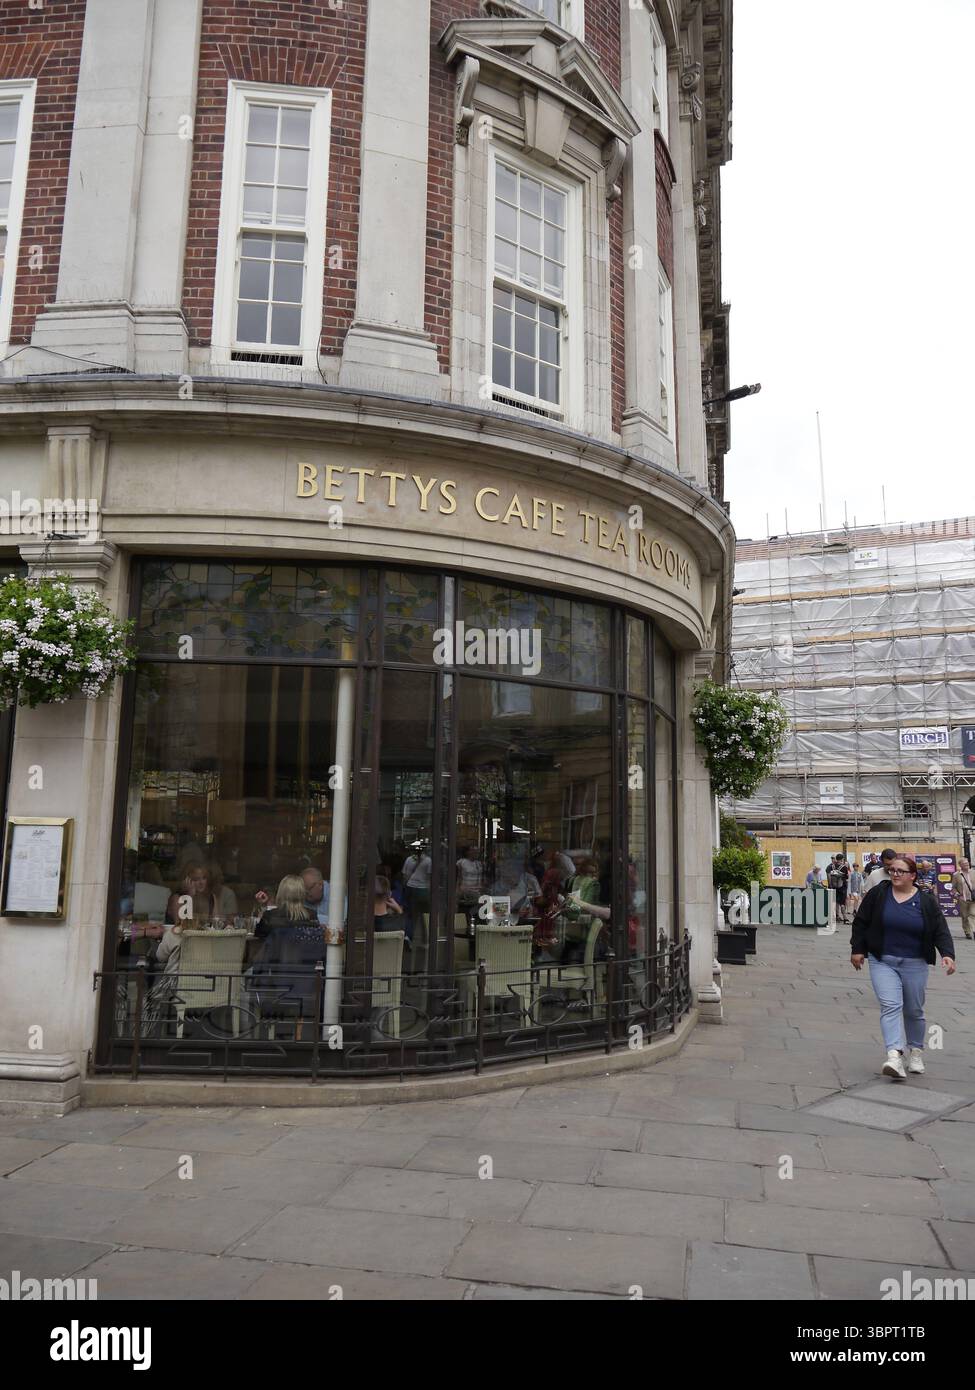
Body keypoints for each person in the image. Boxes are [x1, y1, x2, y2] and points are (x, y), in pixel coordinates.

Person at [850, 854, 955, 1080]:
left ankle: (915, 1051)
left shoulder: (926, 901)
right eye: (893, 870)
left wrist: (947, 954)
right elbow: (861, 922)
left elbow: (940, 930)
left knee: (914, 1010)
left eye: (901, 871)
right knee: (890, 1006)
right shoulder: (879, 894)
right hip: (882, 960)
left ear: (913, 876)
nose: (895, 874)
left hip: (915, 963)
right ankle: (894, 1055)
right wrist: (857, 949)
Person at [252, 875, 326, 1038]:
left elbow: (259, 935)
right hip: (307, 979)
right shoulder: (312, 915)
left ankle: (253, 1031)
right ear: (302, 894)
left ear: (281, 894)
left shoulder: (273, 916)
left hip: (279, 979)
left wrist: (265, 908)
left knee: (243, 981)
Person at [951, 858, 975, 941]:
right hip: (963, 899)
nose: (966, 864)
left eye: (967, 863)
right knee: (965, 916)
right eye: (964, 863)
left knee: (973, 914)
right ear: (960, 865)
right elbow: (953, 888)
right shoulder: (956, 875)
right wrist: (957, 895)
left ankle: (974, 930)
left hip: (973, 899)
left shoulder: (974, 872)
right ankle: (967, 932)